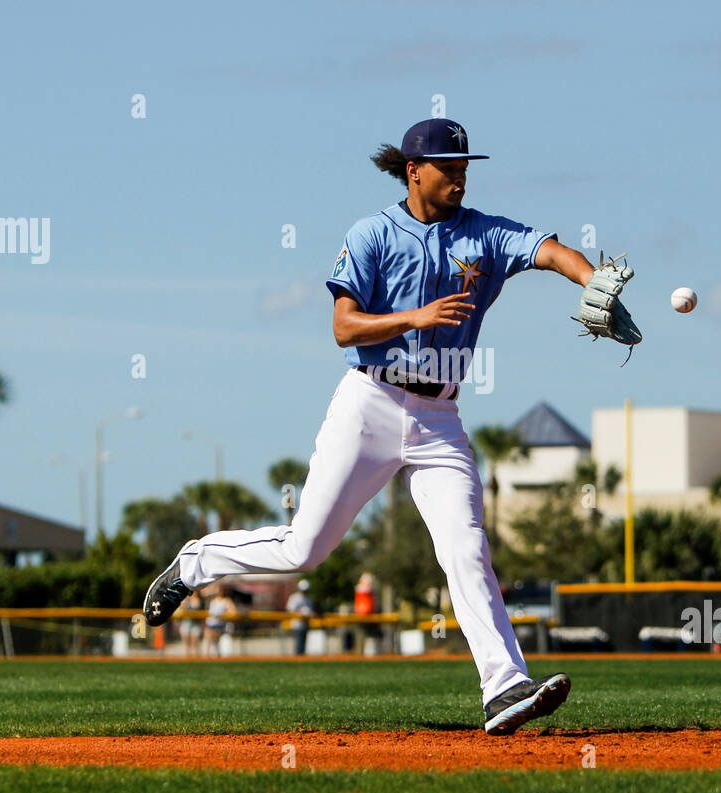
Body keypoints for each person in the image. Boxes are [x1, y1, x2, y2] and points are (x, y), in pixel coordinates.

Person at [144, 117, 603, 734]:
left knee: (466, 547)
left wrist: (591, 279)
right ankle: (198, 562)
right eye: (449, 165)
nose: (461, 175)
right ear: (415, 171)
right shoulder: (373, 234)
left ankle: (504, 687)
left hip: (440, 417)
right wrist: (415, 317)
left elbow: (548, 251)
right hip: (370, 404)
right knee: (305, 550)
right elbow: (343, 327)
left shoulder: (486, 234)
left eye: (465, 165)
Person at [286, 578, 317, 656]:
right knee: (298, 645)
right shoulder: (295, 598)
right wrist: (302, 614)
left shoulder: (309, 598)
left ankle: (301, 658)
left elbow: (311, 610)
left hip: (306, 624)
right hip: (297, 625)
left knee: (303, 645)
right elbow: (290, 610)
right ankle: (297, 660)